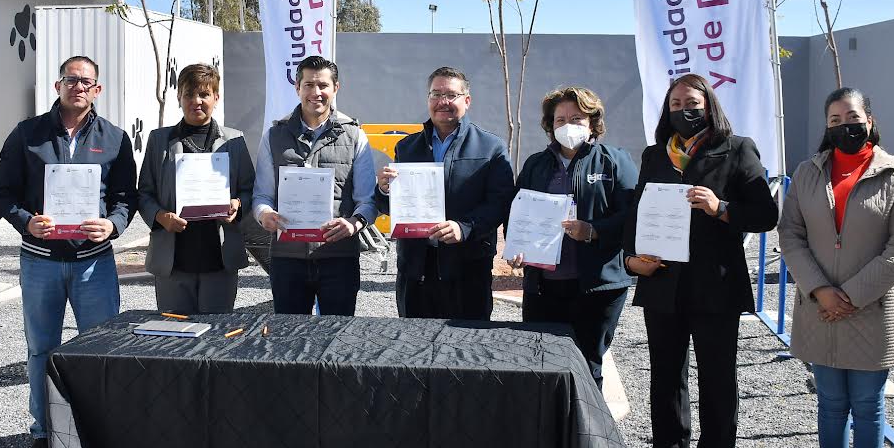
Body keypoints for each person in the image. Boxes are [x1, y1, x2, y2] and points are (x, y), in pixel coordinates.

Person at [622, 74, 779, 448]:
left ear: (708, 106)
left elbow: (766, 214)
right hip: (662, 284)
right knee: (665, 382)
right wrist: (631, 258)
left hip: (715, 287)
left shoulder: (738, 149)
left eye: (692, 102)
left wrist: (721, 208)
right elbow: (637, 213)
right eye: (675, 103)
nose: (683, 110)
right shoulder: (656, 154)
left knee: (716, 384)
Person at [780, 87, 894, 448]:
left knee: (867, 404)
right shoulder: (807, 172)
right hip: (820, 308)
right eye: (835, 119)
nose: (846, 125)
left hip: (871, 309)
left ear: (869, 120)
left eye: (853, 117)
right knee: (829, 403)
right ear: (827, 126)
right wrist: (821, 290)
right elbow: (790, 234)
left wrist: (851, 295)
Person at [0, 55, 137, 448]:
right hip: (40, 261)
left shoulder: (114, 138)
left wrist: (112, 225)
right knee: (41, 349)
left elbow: (125, 197)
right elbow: (2, 192)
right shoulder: (27, 134)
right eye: (70, 79)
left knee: (99, 350)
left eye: (86, 81)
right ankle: (43, 432)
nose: (78, 86)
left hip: (94, 263)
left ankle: (97, 430)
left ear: (97, 90)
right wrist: (26, 221)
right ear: (57, 86)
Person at [508, 86, 638, 387]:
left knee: (587, 366)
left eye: (577, 118)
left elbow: (632, 215)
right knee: (541, 365)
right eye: (560, 120)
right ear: (550, 125)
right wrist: (517, 247)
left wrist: (593, 230)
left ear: (592, 123)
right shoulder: (535, 164)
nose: (568, 125)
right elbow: (517, 212)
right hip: (543, 286)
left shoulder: (614, 161)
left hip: (597, 286)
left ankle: (587, 419)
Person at [374, 67, 514, 321]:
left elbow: (500, 203)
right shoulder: (407, 147)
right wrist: (384, 190)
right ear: (428, 99)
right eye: (436, 94)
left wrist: (465, 227)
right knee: (413, 340)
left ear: (467, 101)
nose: (443, 102)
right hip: (416, 268)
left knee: (465, 341)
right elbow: (390, 207)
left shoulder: (491, 147)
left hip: (467, 267)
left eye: (451, 95)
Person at [252, 56, 377, 315]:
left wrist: (354, 223)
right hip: (288, 258)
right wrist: (264, 214)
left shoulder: (354, 135)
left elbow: (368, 199)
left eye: (323, 85)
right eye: (308, 85)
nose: (316, 92)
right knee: (288, 334)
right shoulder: (274, 135)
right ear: (297, 87)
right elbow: (262, 195)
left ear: (335, 88)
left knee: (336, 333)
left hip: (339, 257)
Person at [138, 63, 255, 313]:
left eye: (204, 94)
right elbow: (144, 192)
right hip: (173, 260)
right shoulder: (159, 140)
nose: (196, 101)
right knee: (175, 332)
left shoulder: (235, 140)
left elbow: (249, 189)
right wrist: (160, 216)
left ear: (216, 98)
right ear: (179, 97)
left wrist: (238, 204)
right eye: (189, 94)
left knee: (216, 333)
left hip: (219, 258)